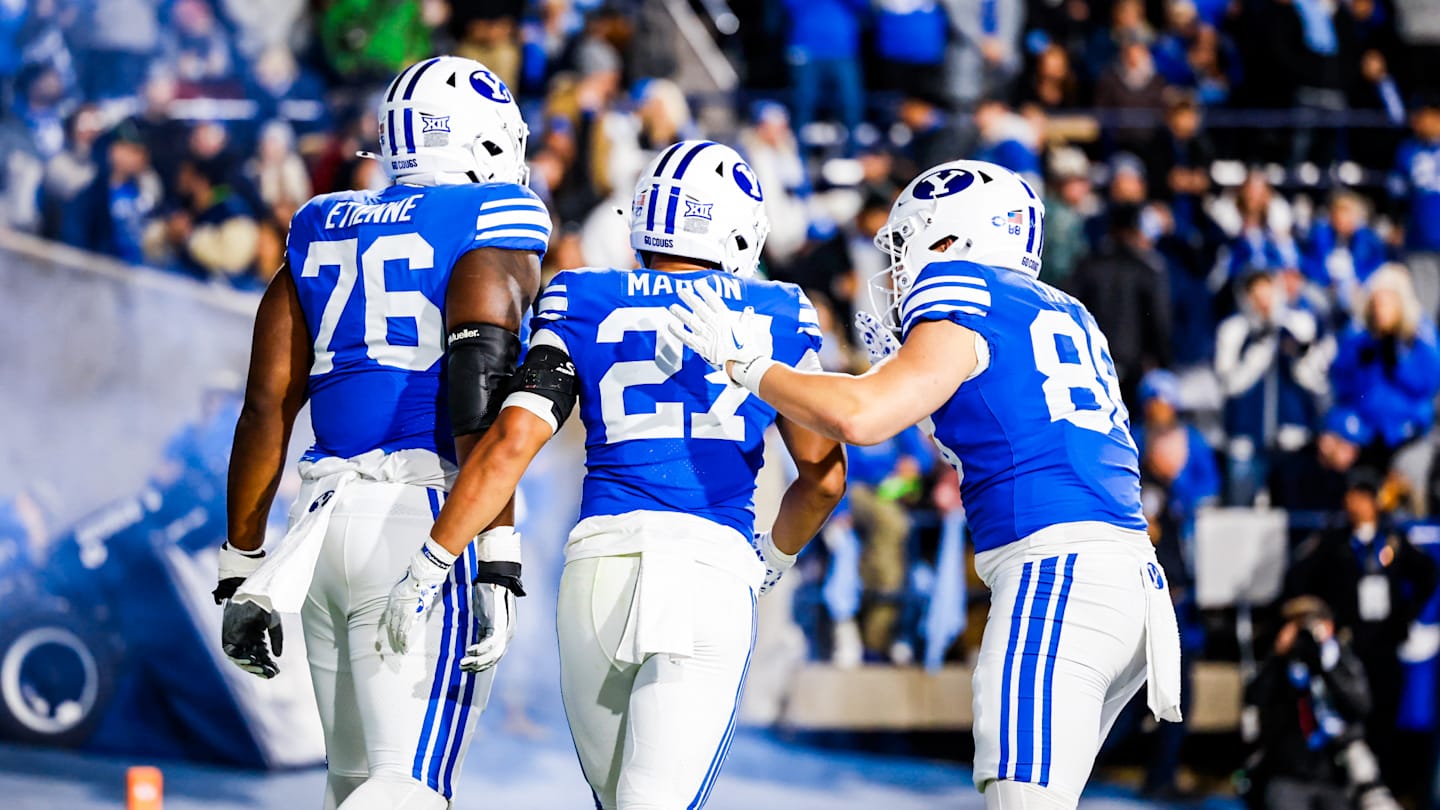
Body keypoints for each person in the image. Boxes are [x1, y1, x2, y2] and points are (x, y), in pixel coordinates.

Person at [669, 159, 1182, 810]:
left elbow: (862, 415)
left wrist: (747, 366)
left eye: (910, 246)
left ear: (955, 240)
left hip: (1059, 576)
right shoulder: (1065, 310)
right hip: (1126, 581)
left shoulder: (968, 298)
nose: (899, 273)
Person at [381, 140, 847, 808]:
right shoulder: (780, 310)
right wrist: (771, 557)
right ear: (738, 227)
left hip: (598, 572)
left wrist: (431, 561)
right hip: (706, 573)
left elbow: (512, 439)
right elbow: (824, 477)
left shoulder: (580, 294)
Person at [217, 57, 547, 810]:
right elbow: (477, 396)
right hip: (418, 523)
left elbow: (266, 405)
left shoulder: (319, 224)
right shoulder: (496, 216)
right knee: (407, 790)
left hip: (319, 531)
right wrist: (494, 549)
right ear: (483, 142)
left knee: (352, 788)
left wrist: (241, 562)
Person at [1287, 470, 1439, 791]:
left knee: (1384, 712)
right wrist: (1322, 617)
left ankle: (1383, 781)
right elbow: (1301, 577)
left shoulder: (1392, 539)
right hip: (1349, 643)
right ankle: (1346, 783)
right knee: (1348, 711)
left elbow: (1427, 574)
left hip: (1385, 641)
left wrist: (1406, 616)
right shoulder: (1335, 542)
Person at [1244, 597, 1377, 810]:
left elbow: (1360, 706)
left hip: (1335, 771)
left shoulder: (1341, 661)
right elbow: (1254, 697)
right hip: (1288, 772)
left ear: (1328, 626)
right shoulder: (1283, 664)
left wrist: (1325, 669)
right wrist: (1277, 656)